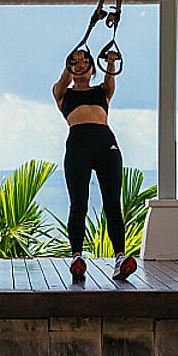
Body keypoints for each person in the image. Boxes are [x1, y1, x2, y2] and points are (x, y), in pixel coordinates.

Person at [53, 49, 137, 282]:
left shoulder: (103, 90)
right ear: (68, 67)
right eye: (74, 62)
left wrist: (110, 61)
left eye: (84, 62)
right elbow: (64, 79)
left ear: (93, 68)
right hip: (78, 145)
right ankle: (77, 257)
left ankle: (120, 258)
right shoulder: (62, 92)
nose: (80, 65)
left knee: (112, 204)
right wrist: (72, 62)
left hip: (106, 144)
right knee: (78, 203)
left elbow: (110, 77)